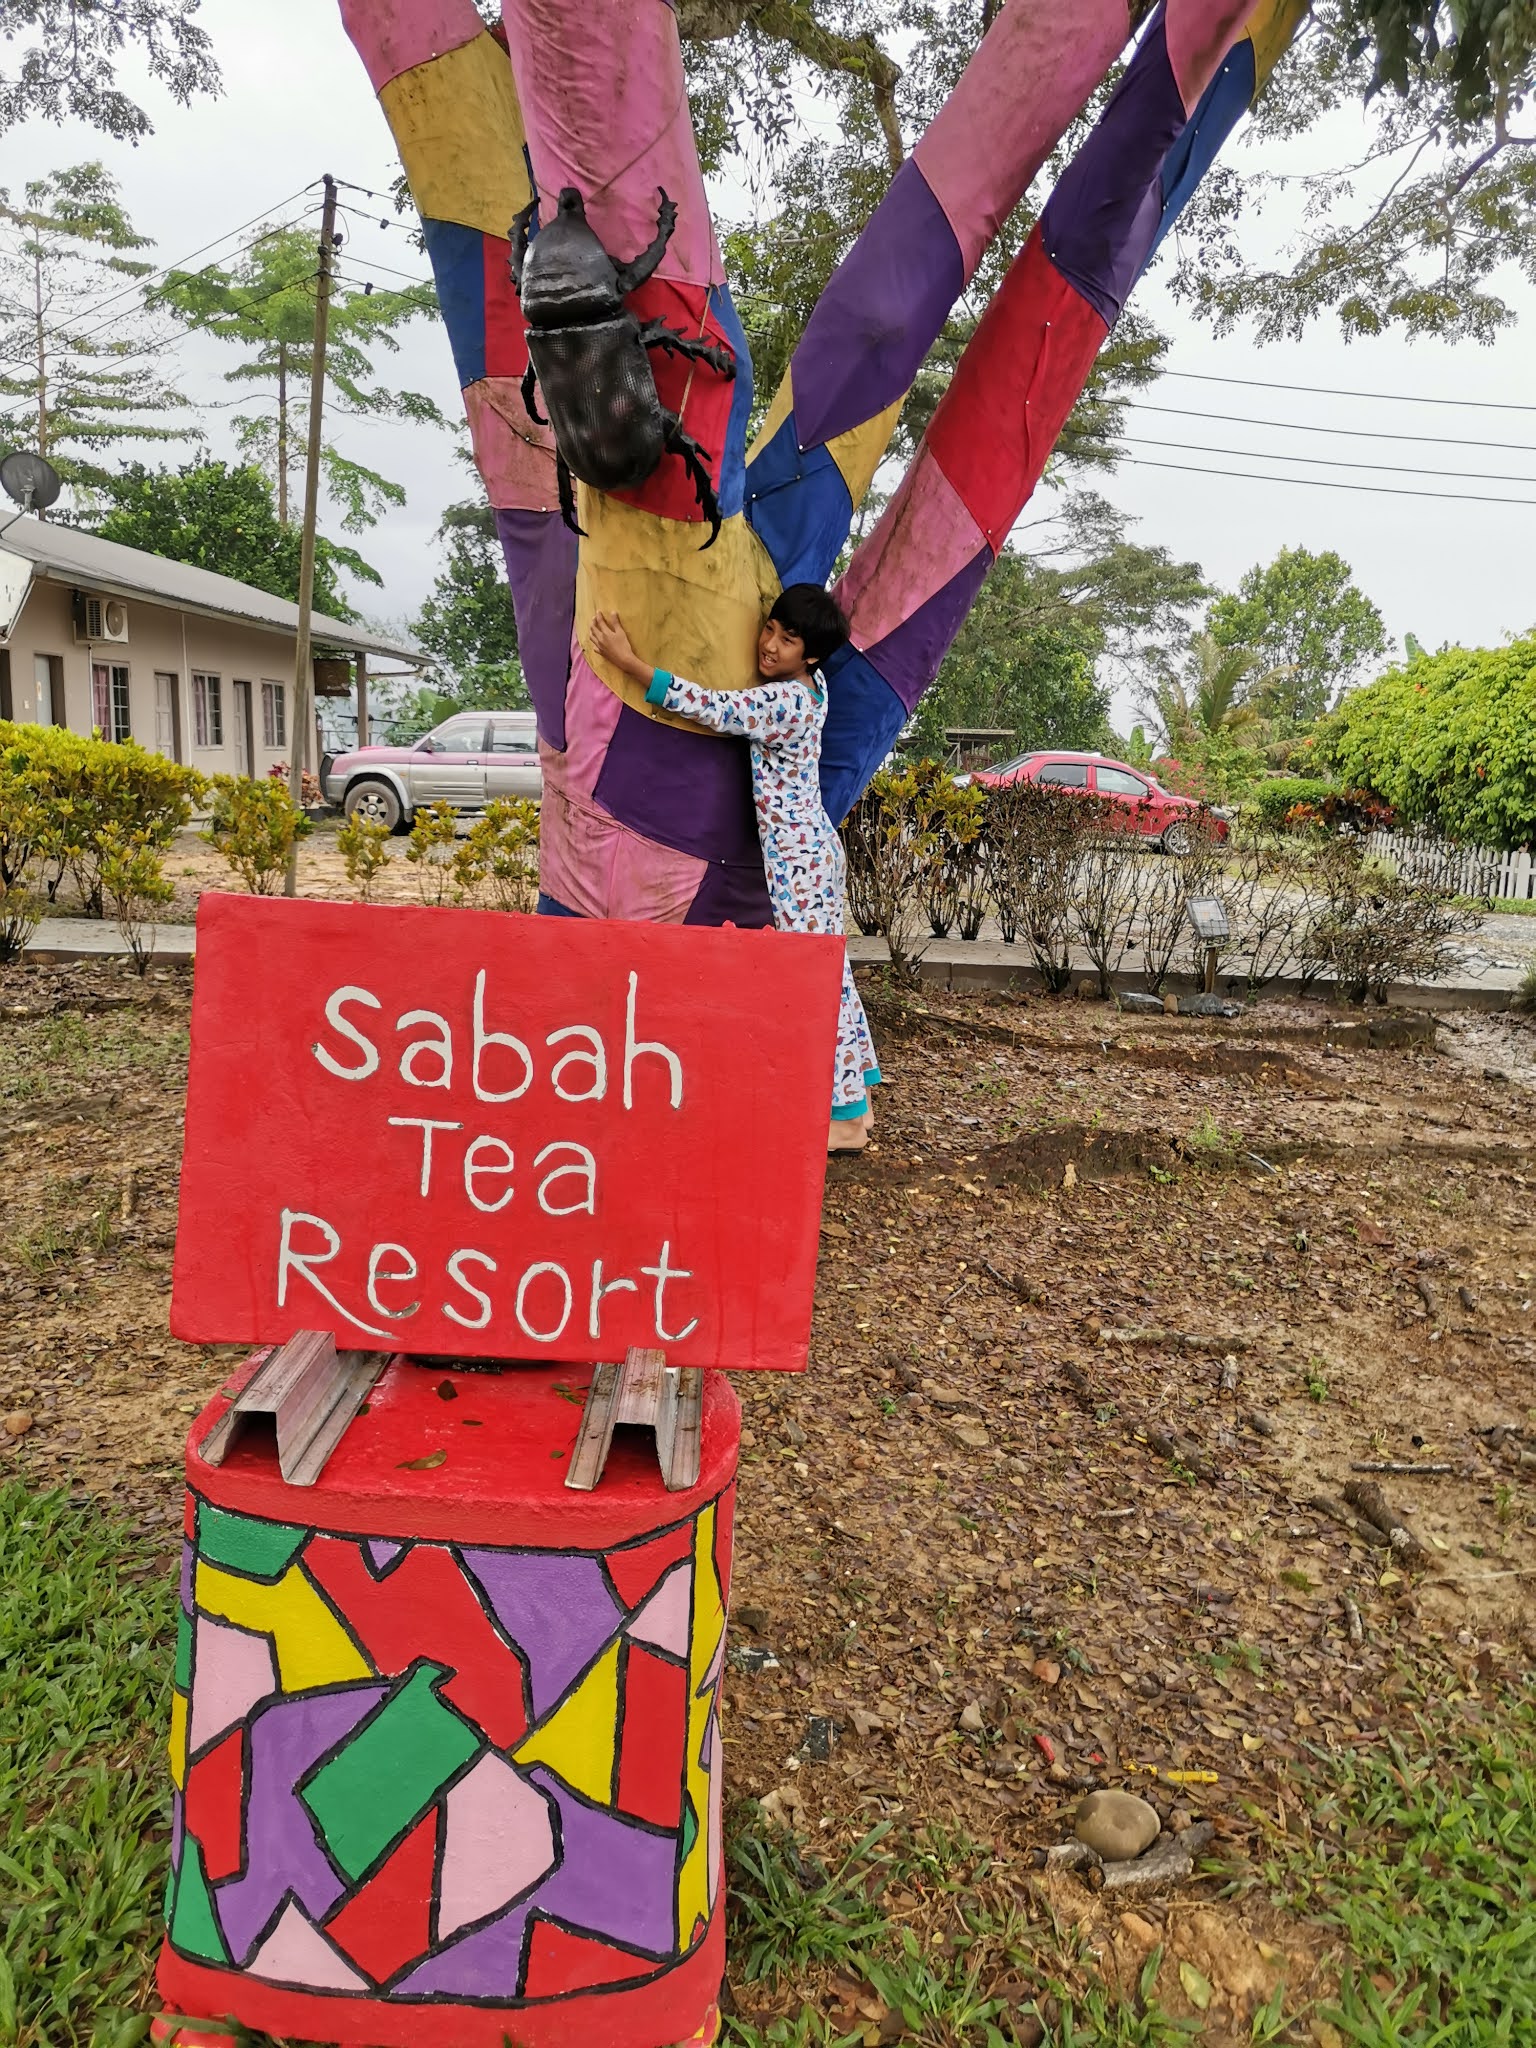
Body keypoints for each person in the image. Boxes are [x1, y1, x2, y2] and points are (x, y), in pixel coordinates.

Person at [588, 585, 880, 1153]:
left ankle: (845, 1121)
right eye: (771, 628)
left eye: (788, 640)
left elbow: (715, 707)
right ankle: (857, 1106)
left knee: (818, 982)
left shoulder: (786, 703)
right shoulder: (809, 689)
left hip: (800, 862)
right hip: (811, 852)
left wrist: (628, 662)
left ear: (811, 657)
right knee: (832, 978)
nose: (770, 645)